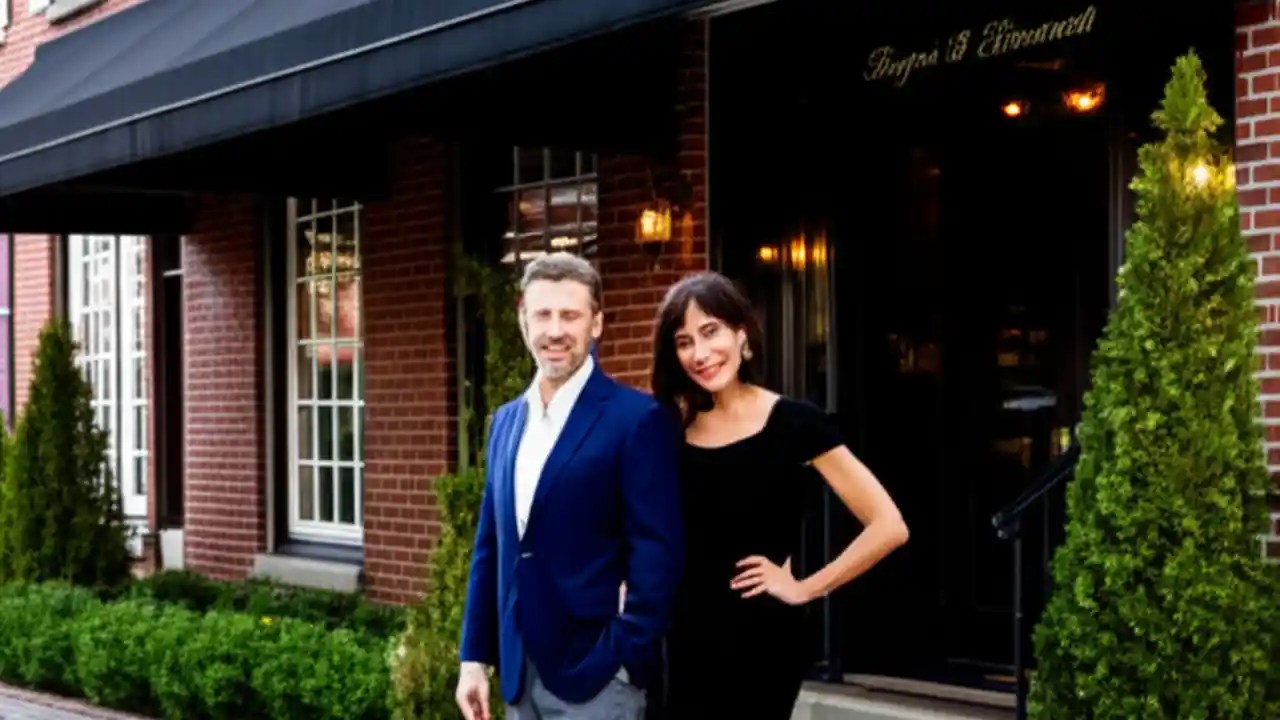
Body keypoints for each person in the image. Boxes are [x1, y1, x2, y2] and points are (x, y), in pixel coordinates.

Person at [650, 271, 909, 719]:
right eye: (684, 341)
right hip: (679, 638)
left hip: (760, 640)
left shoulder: (795, 424)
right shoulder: (671, 428)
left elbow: (889, 525)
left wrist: (806, 587)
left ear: (741, 333)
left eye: (711, 332)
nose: (701, 353)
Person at [457, 252, 685, 720]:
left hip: (599, 680)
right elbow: (491, 546)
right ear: (523, 320)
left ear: (596, 324)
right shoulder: (505, 422)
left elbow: (658, 552)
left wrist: (623, 654)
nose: (555, 330)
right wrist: (473, 658)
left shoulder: (636, 420)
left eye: (570, 315)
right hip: (519, 675)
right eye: (542, 314)